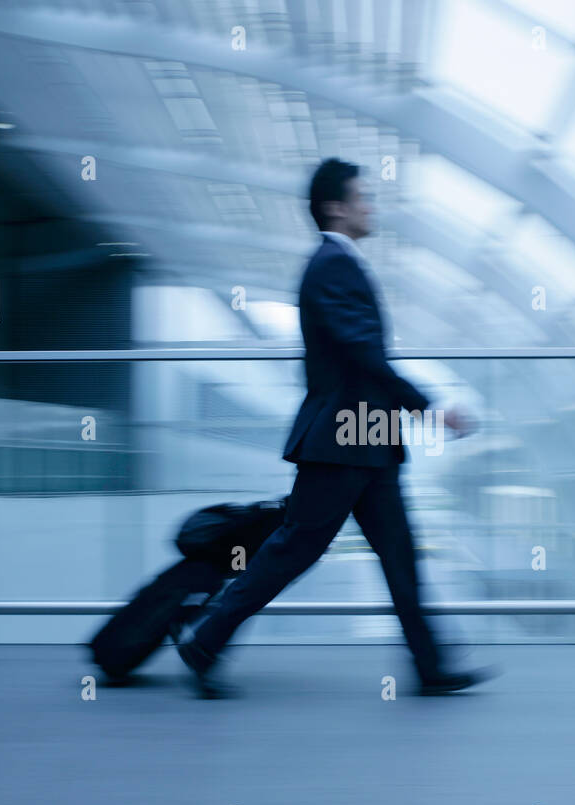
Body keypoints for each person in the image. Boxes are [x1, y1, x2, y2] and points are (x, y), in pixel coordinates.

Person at [177, 158, 498, 699]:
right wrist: (429, 408)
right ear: (335, 207)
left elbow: (361, 354)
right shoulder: (331, 265)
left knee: (397, 552)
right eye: (362, 197)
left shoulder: (338, 264)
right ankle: (205, 637)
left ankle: (431, 665)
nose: (370, 206)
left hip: (365, 439)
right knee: (295, 548)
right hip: (346, 439)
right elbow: (361, 352)